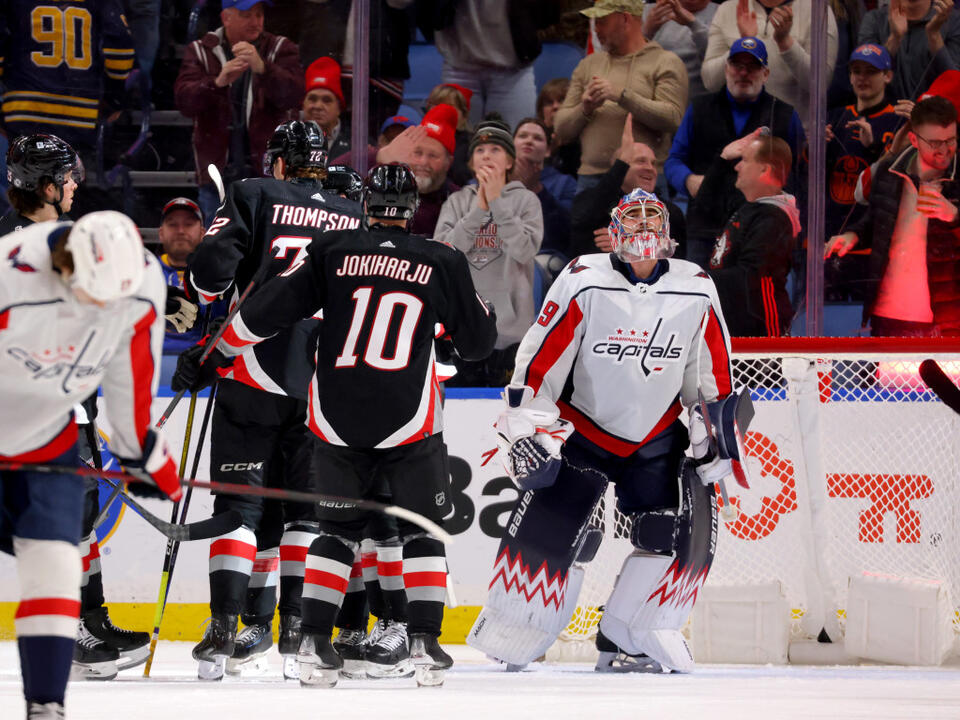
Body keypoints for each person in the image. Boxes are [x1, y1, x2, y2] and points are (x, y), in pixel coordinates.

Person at [174, 163, 498, 688]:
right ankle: (419, 639)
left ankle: (315, 645)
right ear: (414, 210)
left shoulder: (332, 252)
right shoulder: (442, 260)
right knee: (415, 530)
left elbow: (265, 313)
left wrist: (215, 355)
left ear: (366, 205)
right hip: (408, 420)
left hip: (335, 419)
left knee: (335, 532)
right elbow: (481, 343)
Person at [466, 189, 736, 675]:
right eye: (633, 224)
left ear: (670, 235)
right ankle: (519, 626)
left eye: (653, 223)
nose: (644, 233)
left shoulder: (696, 285)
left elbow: (711, 371)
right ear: (614, 233)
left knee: (666, 532)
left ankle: (626, 635)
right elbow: (540, 358)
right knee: (561, 535)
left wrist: (714, 430)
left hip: (655, 433)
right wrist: (527, 423)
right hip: (583, 428)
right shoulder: (583, 278)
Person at [174, 120, 363, 681]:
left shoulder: (255, 192)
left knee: (241, 508)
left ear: (279, 161)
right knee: (304, 512)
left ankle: (223, 631)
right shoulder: (352, 214)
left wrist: (210, 292)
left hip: (251, 368)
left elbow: (209, 275)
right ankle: (296, 633)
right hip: (321, 383)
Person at [0, 210, 182, 719]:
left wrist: (144, 458)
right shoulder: (9, 274)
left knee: (55, 566)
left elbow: (131, 386)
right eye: (92, 294)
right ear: (65, 266)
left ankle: (46, 704)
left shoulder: (142, 282)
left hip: (46, 439)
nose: (102, 307)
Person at [826, 95, 960, 336]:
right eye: (934, 142)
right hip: (889, 311)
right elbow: (874, 221)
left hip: (946, 316)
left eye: (950, 140)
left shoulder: (955, 179)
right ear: (914, 139)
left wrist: (954, 215)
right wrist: (852, 235)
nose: (944, 150)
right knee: (883, 373)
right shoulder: (890, 173)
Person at [666, 36, 805, 268]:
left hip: (761, 227)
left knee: (756, 298)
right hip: (705, 227)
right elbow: (673, 161)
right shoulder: (699, 108)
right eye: (737, 65)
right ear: (726, 68)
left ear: (766, 74)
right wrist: (688, 180)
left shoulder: (783, 115)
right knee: (704, 296)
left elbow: (800, 172)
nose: (743, 73)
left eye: (752, 67)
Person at [434, 117, 543, 385]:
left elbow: (525, 251)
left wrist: (497, 202)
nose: (487, 155)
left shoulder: (526, 200)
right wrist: (478, 211)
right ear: (471, 163)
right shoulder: (457, 201)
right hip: (461, 331)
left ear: (509, 161)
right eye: (480, 151)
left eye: (496, 149)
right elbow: (444, 255)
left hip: (510, 337)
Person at [174, 0, 304, 222]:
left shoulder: (281, 48)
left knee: (268, 249)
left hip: (271, 177)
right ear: (226, 18)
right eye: (246, 15)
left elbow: (294, 95)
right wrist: (217, 82)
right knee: (219, 249)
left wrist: (264, 68)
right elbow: (185, 102)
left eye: (259, 14)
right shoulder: (201, 50)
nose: (255, 22)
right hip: (217, 177)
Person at [554, 0, 688, 191]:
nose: (596, 29)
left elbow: (673, 118)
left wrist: (622, 96)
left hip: (645, 177)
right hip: (591, 179)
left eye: (602, 21)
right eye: (595, 22)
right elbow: (561, 129)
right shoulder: (588, 64)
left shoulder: (665, 62)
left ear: (625, 18)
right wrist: (585, 108)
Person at [825, 44, 900, 300]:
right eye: (856, 71)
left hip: (871, 243)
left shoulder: (897, 121)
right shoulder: (834, 118)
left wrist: (873, 148)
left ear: (887, 76)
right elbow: (811, 176)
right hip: (831, 239)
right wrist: (814, 149)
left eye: (871, 71)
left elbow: (895, 182)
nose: (862, 78)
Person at [708, 135, 801, 337]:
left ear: (764, 169)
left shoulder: (774, 218)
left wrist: (700, 278)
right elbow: (705, 204)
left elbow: (750, 273)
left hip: (760, 332)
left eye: (745, 160)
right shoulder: (748, 208)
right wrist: (722, 158)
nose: (737, 167)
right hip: (734, 324)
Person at [701, 0, 839, 130]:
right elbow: (710, 81)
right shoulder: (729, 8)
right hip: (736, 135)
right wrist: (744, 44)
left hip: (793, 135)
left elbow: (820, 84)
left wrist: (785, 43)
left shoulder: (817, 10)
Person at [432, 0, 560, 129]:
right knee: (455, 142)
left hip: (513, 71)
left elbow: (549, 15)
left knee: (516, 140)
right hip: (458, 66)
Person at [571, 116, 687, 259]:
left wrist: (629, 246)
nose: (650, 168)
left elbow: (678, 262)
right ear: (619, 167)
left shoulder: (669, 212)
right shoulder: (592, 202)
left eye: (653, 163)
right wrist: (622, 164)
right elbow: (580, 229)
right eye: (640, 161)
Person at [377, 104, 462, 237]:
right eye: (417, 153)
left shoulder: (459, 203)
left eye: (433, 155)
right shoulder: (387, 189)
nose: (423, 162)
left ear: (448, 162)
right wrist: (379, 156)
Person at [859, 0, 960, 103]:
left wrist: (934, 35)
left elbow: (955, 83)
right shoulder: (874, 19)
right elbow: (863, 76)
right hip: (885, 113)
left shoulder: (954, 21)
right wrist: (895, 38)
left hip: (933, 114)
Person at [512, 118, 577, 256]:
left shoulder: (565, 183)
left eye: (537, 138)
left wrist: (536, 189)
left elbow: (564, 234)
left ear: (548, 150)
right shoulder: (491, 180)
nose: (529, 141)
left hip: (543, 257)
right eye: (523, 136)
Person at [0, 135, 81, 236]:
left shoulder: (54, 219)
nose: (75, 185)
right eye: (68, 179)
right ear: (49, 189)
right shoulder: (29, 245)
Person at [156, 197, 206, 354]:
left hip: (203, 358)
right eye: (172, 224)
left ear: (203, 233)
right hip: (152, 356)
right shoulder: (142, 271)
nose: (180, 231)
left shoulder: (218, 275)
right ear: (161, 233)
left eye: (189, 224)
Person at [643, 0, 720, 100]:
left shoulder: (722, 13)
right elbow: (625, 59)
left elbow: (719, 62)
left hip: (694, 106)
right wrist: (646, 31)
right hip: (645, 101)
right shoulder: (649, 11)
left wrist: (693, 24)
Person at [302, 57, 351, 160]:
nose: (318, 106)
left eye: (327, 100)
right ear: (303, 104)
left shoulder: (358, 147)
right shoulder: (286, 142)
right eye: (312, 99)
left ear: (339, 108)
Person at [537, 78, 581, 178]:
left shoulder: (588, 143)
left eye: (562, 100)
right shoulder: (535, 145)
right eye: (549, 103)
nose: (555, 106)